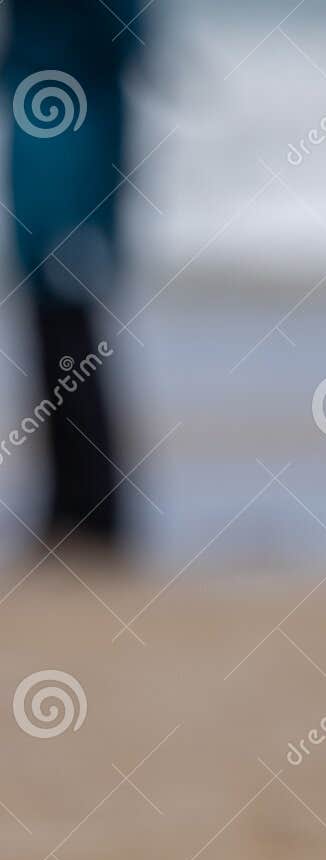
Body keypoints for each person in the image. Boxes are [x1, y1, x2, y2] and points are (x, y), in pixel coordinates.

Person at [3, 0, 143, 554]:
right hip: (54, 156)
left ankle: (93, 513)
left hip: (71, 160)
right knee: (54, 326)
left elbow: (128, 40)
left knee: (68, 329)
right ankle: (72, 509)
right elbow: (136, 44)